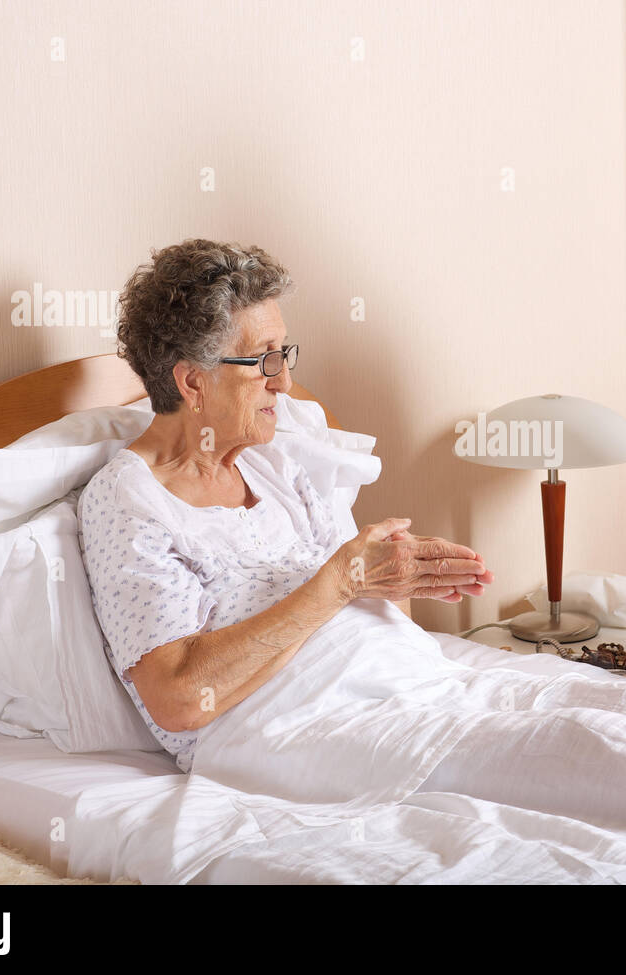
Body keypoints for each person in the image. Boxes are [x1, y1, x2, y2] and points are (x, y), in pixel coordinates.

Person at [76, 239, 493, 772]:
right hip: (309, 732)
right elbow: (178, 698)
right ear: (194, 382)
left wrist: (392, 575)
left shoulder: (273, 465)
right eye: (264, 359)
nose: (285, 382)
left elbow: (359, 607)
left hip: (421, 689)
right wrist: (340, 580)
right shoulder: (128, 502)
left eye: (284, 354)